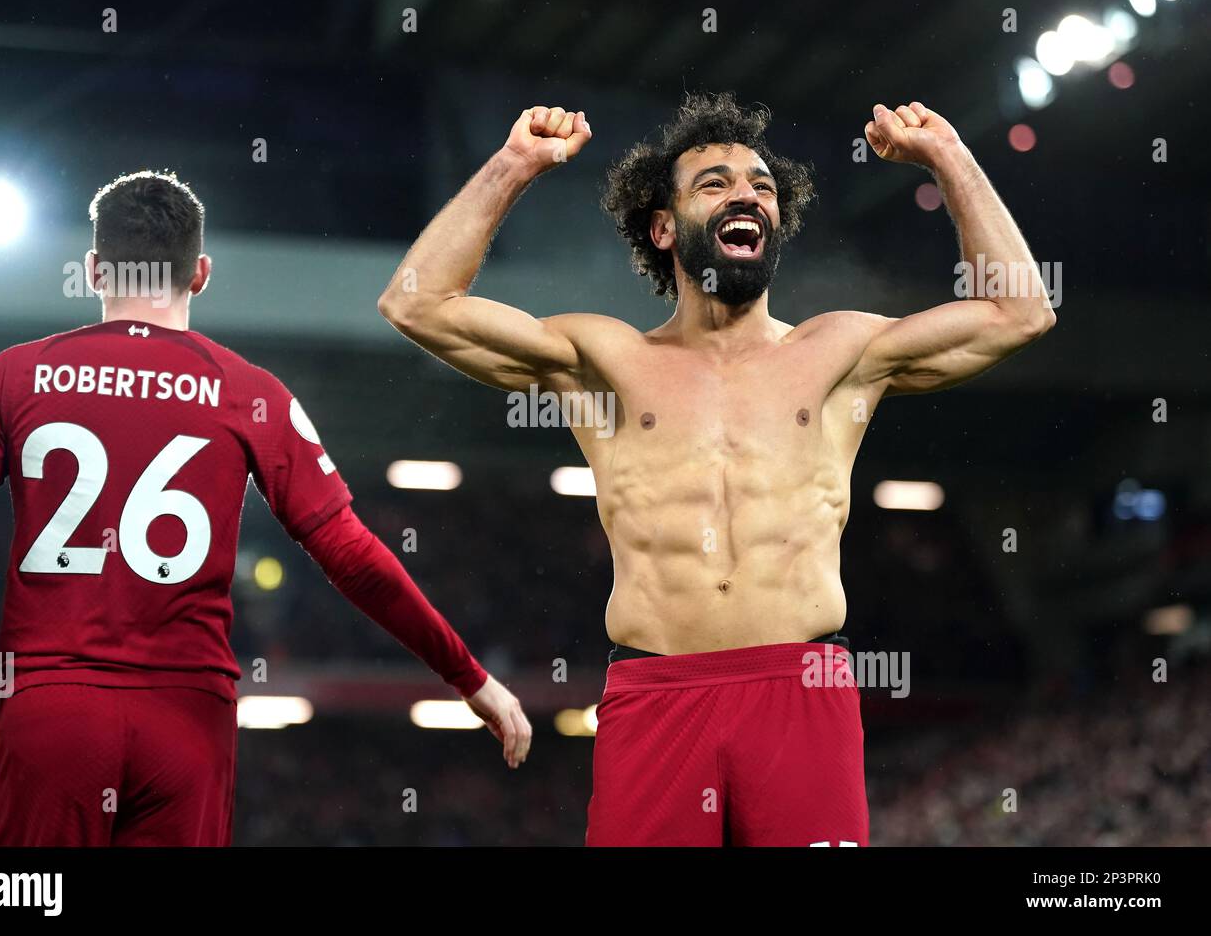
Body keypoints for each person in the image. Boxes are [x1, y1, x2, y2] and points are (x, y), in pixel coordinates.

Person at [377, 95, 1055, 845]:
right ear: (664, 228)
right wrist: (514, 165)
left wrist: (949, 156)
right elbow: (418, 305)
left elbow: (1019, 311)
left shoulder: (839, 354)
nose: (746, 195)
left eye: (762, 186)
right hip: (656, 692)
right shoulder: (606, 362)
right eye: (716, 184)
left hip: (804, 689)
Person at [0, 170, 530, 846]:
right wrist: (468, 678)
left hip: (56, 713)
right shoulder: (250, 392)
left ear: (93, 270)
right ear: (200, 273)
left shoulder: (14, 375)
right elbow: (352, 555)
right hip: (188, 723)